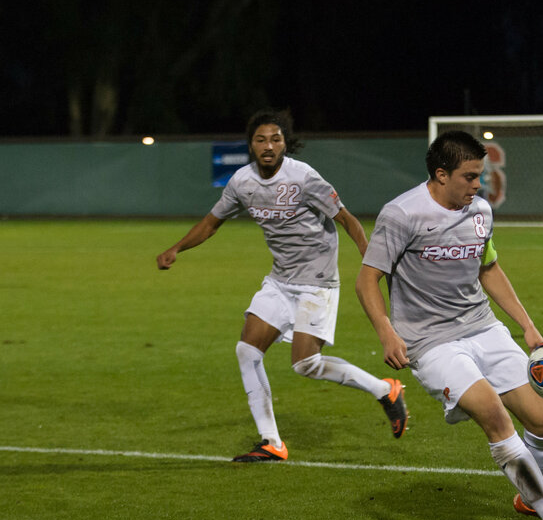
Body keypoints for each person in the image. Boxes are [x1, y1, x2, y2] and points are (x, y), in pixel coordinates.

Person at [356, 130, 543, 520]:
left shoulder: (479, 211)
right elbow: (367, 280)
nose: (478, 185)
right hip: (431, 342)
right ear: (441, 175)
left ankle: (528, 496)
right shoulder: (401, 214)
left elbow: (489, 268)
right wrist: (386, 330)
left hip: (482, 327)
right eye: (470, 176)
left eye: (480, 175)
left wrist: (528, 327)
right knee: (496, 418)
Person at [156, 108, 407, 462]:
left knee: (305, 364)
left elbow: (346, 219)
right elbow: (212, 223)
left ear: (286, 143)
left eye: (276, 139)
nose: (269, 146)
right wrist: (177, 248)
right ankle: (271, 442)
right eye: (261, 140)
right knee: (247, 351)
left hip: (317, 283)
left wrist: (369, 256)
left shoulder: (304, 177)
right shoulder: (242, 182)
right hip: (279, 281)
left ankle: (385, 390)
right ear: (251, 145)